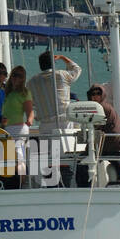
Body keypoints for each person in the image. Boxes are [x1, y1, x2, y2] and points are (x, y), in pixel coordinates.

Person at [28, 49, 81, 186]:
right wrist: (63, 58)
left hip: (44, 124)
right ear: (54, 62)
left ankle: (50, 185)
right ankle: (65, 186)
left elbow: (31, 100)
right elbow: (77, 69)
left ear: (40, 65)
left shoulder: (32, 82)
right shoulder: (62, 75)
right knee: (63, 160)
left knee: (48, 158)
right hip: (63, 123)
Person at [87, 85, 120, 185]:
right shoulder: (103, 106)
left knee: (83, 159)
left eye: (98, 93)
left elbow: (97, 125)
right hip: (115, 141)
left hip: (113, 142)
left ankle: (84, 185)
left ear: (102, 95)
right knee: (115, 159)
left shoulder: (102, 107)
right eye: (93, 94)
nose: (95, 96)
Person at [1, 66, 33, 186]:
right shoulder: (6, 92)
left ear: (23, 78)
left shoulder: (24, 92)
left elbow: (30, 111)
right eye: (14, 75)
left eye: (20, 76)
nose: (16, 78)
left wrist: (29, 122)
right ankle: (14, 183)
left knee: (18, 157)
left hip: (18, 129)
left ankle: (22, 183)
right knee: (9, 158)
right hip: (5, 129)